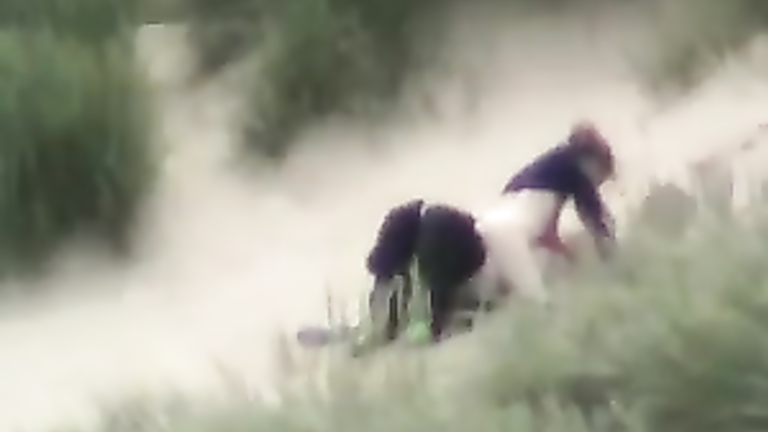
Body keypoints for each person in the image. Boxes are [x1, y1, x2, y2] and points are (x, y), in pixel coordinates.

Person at [361, 121, 618, 348]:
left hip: (471, 242)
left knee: (414, 222)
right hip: (480, 254)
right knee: (431, 225)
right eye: (599, 180)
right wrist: (539, 299)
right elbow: (591, 215)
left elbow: (544, 231)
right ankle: (407, 320)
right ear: (590, 165)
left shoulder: (527, 194)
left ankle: (384, 318)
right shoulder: (552, 188)